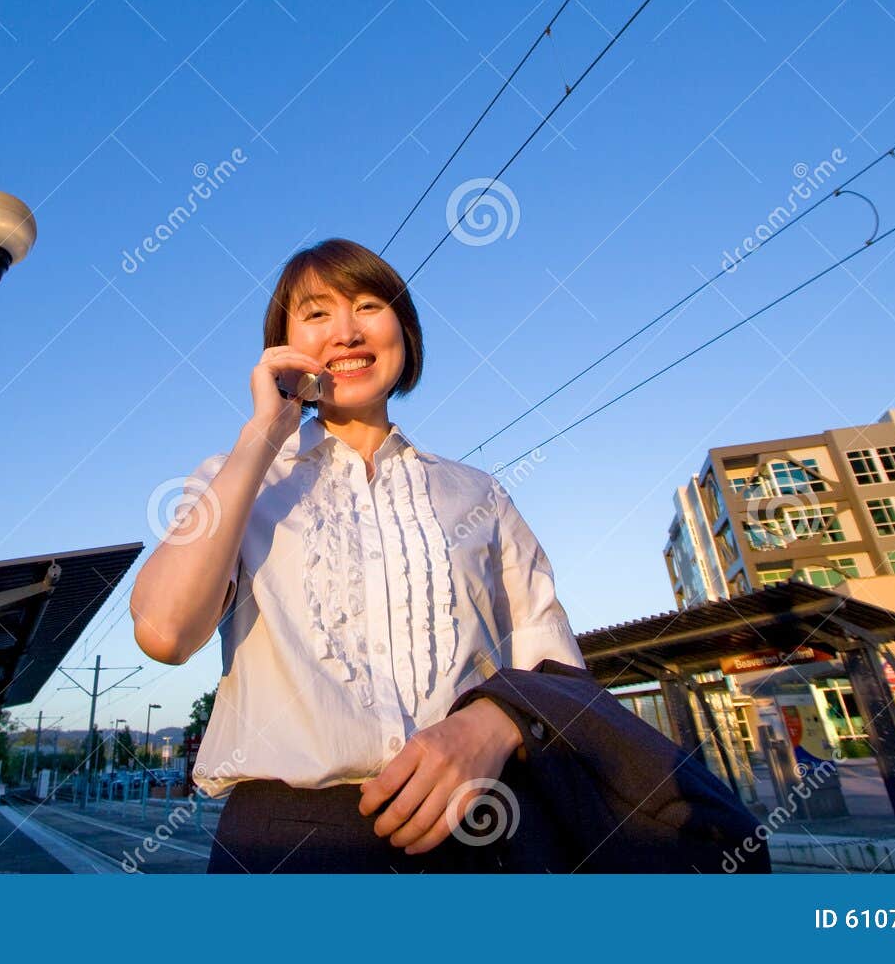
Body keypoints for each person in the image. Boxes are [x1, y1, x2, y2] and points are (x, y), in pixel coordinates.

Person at [129, 238, 586, 872]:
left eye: (369, 305)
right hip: (286, 845)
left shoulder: (480, 494)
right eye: (316, 314)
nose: (345, 331)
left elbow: (555, 662)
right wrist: (266, 431)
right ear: (282, 344)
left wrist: (494, 724)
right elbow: (165, 632)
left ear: (404, 330)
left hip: (478, 832)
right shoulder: (237, 477)